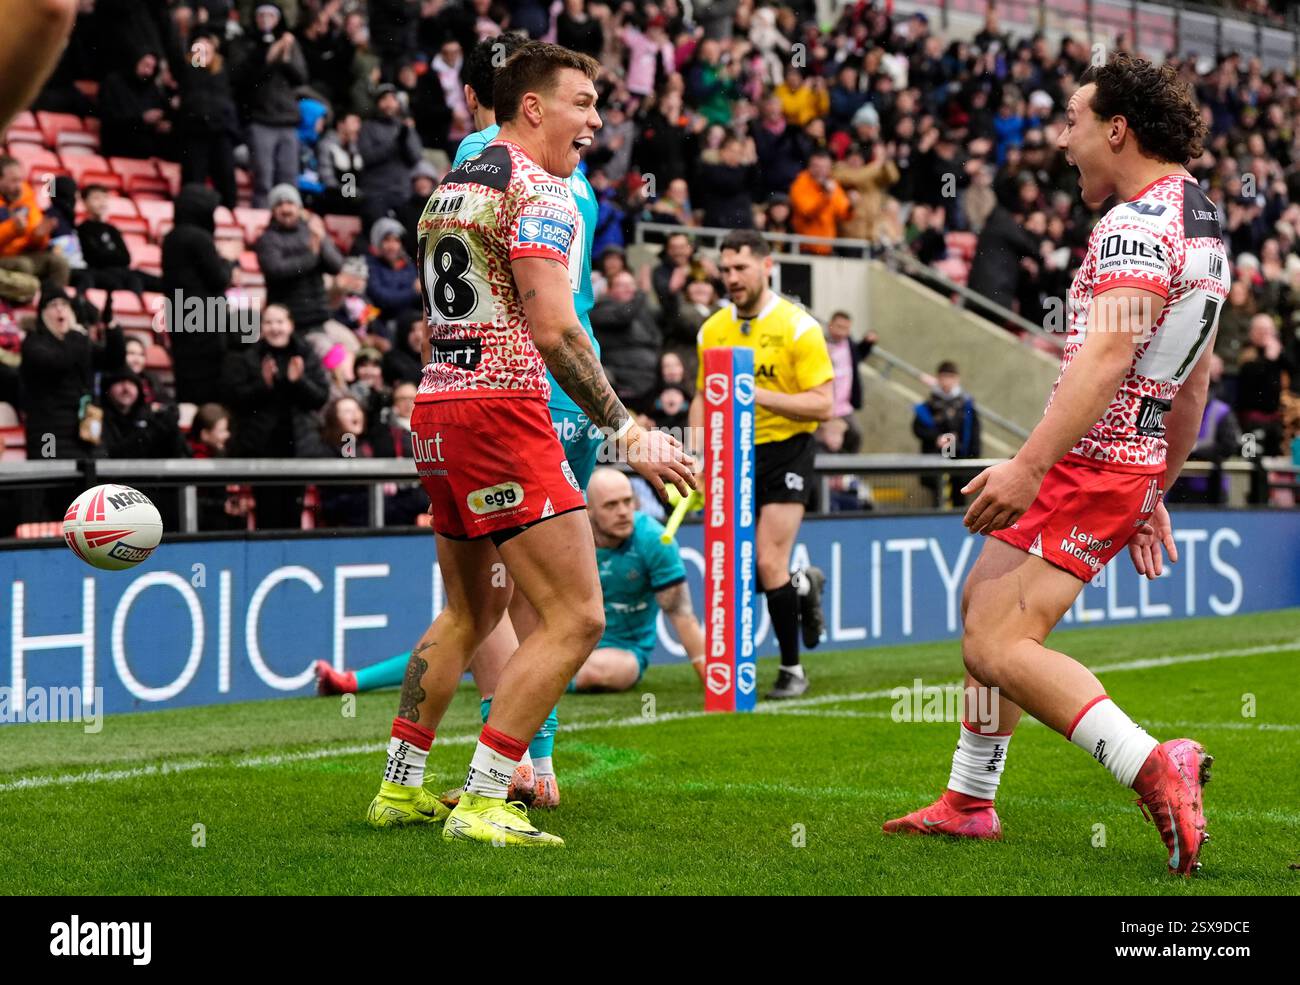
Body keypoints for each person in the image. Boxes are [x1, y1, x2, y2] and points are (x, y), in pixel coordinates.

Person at [883, 54, 1228, 877]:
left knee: (996, 642)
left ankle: (1152, 761)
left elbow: (1106, 357)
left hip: (1087, 460)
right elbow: (1196, 377)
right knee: (987, 612)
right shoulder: (1204, 221)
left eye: (1073, 120)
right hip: (1123, 465)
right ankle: (969, 800)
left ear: (1117, 129)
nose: (1062, 138)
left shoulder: (1137, 225)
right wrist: (1156, 484)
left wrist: (1033, 465)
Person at [361, 41, 692, 847]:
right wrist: (627, 428)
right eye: (582, 102)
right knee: (578, 615)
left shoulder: (450, 189)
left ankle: (398, 787)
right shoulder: (539, 188)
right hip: (501, 413)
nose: (597, 120)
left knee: (471, 610)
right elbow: (554, 327)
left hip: (437, 408)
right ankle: (483, 795)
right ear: (534, 106)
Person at [689, 228, 832, 700]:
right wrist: (697, 453)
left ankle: (792, 670)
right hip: (734, 449)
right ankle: (802, 588)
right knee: (737, 568)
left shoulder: (797, 326)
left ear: (766, 266)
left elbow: (823, 405)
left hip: (788, 449)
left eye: (740, 268)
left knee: (768, 560)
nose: (731, 277)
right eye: (725, 269)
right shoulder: (713, 329)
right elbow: (701, 396)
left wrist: (752, 391)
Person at [222, 304, 330, 528]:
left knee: (293, 515)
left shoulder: (305, 355)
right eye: (269, 322)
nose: (275, 328)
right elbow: (235, 398)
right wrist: (263, 384)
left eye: (280, 322)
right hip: (261, 449)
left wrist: (298, 382)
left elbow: (320, 397)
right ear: (261, 327)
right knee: (266, 515)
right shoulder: (248, 357)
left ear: (290, 325)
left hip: (298, 449)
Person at [163, 184, 235, 406]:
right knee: (208, 385)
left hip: (181, 319)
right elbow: (219, 278)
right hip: (205, 323)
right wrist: (229, 259)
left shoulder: (171, 237)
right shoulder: (200, 238)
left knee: (188, 382)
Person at [234, 3, 308, 207]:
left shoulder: (289, 43)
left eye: (271, 15)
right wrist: (270, 54)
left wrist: (285, 57)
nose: (266, 19)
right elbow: (244, 77)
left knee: (289, 181)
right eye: (261, 15)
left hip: (287, 120)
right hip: (260, 120)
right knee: (263, 181)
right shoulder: (246, 43)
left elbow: (301, 77)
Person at [255, 184, 345, 341]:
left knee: (350, 351)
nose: (286, 209)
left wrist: (322, 240)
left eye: (290, 203)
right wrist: (312, 255)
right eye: (280, 204)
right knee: (331, 359)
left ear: (299, 207)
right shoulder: (267, 239)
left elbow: (337, 266)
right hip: (288, 323)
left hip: (319, 320)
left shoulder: (313, 232)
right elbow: (277, 270)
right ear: (273, 210)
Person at [912, 360, 983, 506]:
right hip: (934, 458)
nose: (946, 382)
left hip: (960, 459)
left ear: (957, 379)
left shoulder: (966, 404)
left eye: (950, 377)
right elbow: (918, 428)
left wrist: (972, 458)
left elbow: (974, 433)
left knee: (959, 499)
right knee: (937, 500)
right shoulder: (929, 404)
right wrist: (936, 438)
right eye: (943, 377)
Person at [0, 156, 71, 295]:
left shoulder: (26, 196)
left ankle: (53, 304)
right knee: (23, 265)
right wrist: (13, 229)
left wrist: (39, 235)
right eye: (14, 180)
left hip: (25, 254)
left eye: (21, 179)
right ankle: (18, 309)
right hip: (4, 257)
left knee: (59, 263)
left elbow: (35, 235)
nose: (19, 185)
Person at [77, 185, 165, 296]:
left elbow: (126, 258)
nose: (102, 202)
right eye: (96, 198)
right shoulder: (82, 229)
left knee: (163, 283)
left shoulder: (112, 229)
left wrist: (108, 256)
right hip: (101, 273)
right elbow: (93, 257)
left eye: (104, 198)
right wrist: (113, 256)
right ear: (84, 202)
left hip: (123, 270)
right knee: (132, 281)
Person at [358, 83, 424, 230]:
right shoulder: (368, 127)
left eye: (392, 99)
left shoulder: (404, 127)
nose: (389, 103)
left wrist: (406, 135)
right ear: (377, 104)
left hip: (403, 193)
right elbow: (367, 157)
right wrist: (395, 143)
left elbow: (416, 157)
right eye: (384, 99)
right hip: (376, 193)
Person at [819, 309, 876, 454]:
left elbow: (858, 356)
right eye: (838, 327)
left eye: (846, 328)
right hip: (823, 402)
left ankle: (848, 472)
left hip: (843, 406)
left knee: (855, 435)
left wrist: (868, 343)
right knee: (821, 440)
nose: (841, 332)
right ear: (830, 324)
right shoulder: (819, 342)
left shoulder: (848, 344)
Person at [788, 149, 850, 256]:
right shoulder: (800, 184)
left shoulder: (831, 184)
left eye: (825, 167)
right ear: (810, 166)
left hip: (827, 248)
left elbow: (843, 212)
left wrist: (852, 205)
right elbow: (807, 211)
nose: (821, 171)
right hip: (806, 249)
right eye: (817, 166)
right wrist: (826, 197)